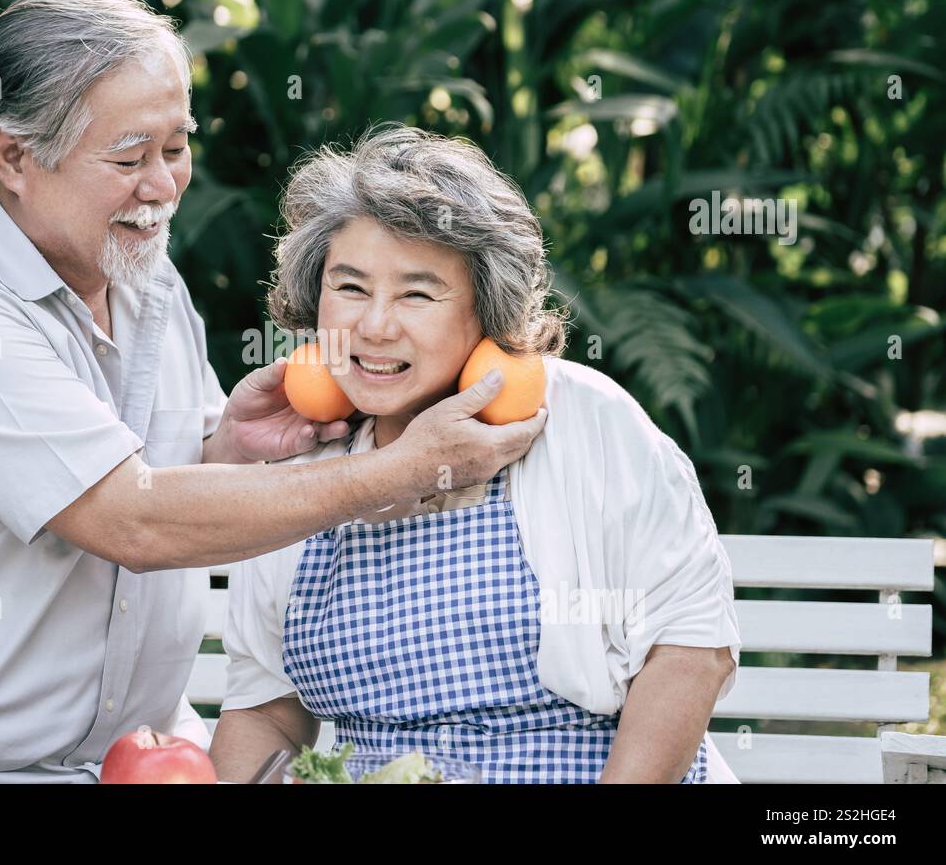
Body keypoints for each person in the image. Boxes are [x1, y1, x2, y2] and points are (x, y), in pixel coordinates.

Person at [0, 0, 544, 783]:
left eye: (177, 147)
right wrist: (400, 472)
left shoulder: (147, 283)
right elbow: (134, 521)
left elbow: (140, 482)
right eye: (128, 157)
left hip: (140, 767)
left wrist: (224, 447)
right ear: (14, 155)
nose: (162, 187)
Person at [211, 125, 742, 783]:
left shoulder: (586, 420)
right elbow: (264, 708)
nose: (374, 327)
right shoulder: (301, 467)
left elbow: (691, 648)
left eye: (417, 293)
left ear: (486, 309)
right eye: (349, 288)